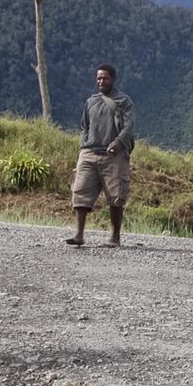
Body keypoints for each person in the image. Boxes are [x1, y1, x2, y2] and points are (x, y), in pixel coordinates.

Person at [66, 63, 135, 248]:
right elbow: (84, 127)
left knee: (116, 197)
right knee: (80, 193)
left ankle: (115, 237)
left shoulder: (124, 101)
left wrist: (118, 143)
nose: (101, 81)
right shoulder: (91, 102)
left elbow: (129, 126)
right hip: (89, 153)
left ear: (113, 79)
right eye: (98, 78)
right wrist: (83, 148)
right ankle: (79, 235)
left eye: (105, 78)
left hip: (114, 156)